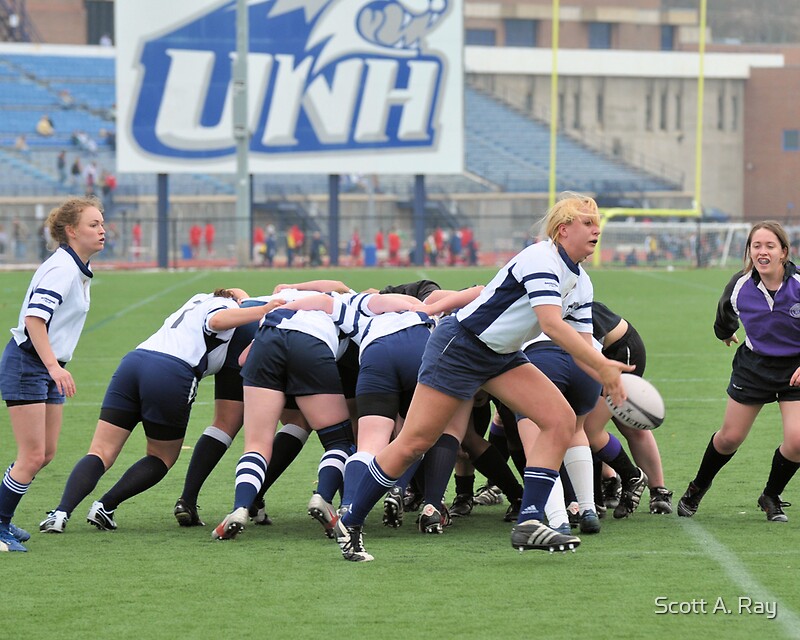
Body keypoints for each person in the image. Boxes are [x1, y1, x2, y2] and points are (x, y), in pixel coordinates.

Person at [333, 193, 632, 561]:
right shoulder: (541, 257)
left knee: (561, 420)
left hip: (500, 355)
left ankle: (530, 521)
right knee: (414, 442)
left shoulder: (582, 282)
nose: (597, 229)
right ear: (563, 229)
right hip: (460, 346)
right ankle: (351, 520)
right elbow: (553, 326)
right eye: (587, 222)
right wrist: (602, 366)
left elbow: (583, 345)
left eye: (597, 221)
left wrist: (611, 379)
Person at [38, 288, 280, 534]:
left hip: (133, 363)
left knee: (100, 451)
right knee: (162, 457)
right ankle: (105, 505)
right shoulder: (225, 306)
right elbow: (216, 320)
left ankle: (60, 513)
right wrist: (261, 310)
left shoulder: (197, 300)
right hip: (171, 372)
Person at [0, 196, 105, 552]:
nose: (102, 229)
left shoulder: (75, 266)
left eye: (102, 223)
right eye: (94, 224)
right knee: (31, 455)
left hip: (47, 365)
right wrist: (53, 368)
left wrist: (54, 367)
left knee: (44, 454)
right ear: (71, 231)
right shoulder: (61, 269)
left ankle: (2, 518)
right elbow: (33, 320)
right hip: (30, 363)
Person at [678, 221, 800, 523]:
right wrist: (726, 332)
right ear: (749, 252)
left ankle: (770, 495)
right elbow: (724, 315)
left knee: (798, 441)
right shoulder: (740, 285)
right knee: (730, 438)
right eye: (756, 246)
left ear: (783, 252)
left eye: (770, 246)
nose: (762, 251)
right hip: (754, 367)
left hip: (794, 369)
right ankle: (698, 486)